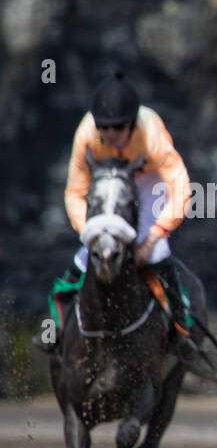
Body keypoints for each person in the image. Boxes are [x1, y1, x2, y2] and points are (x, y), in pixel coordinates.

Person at [36, 71, 195, 358]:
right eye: (103, 128)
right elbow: (74, 193)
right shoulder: (86, 134)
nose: (109, 135)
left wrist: (153, 236)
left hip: (145, 182)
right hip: (105, 182)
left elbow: (181, 188)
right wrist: (89, 232)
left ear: (132, 124)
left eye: (118, 128)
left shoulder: (151, 133)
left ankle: (180, 331)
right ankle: (53, 328)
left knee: (158, 253)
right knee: (83, 259)